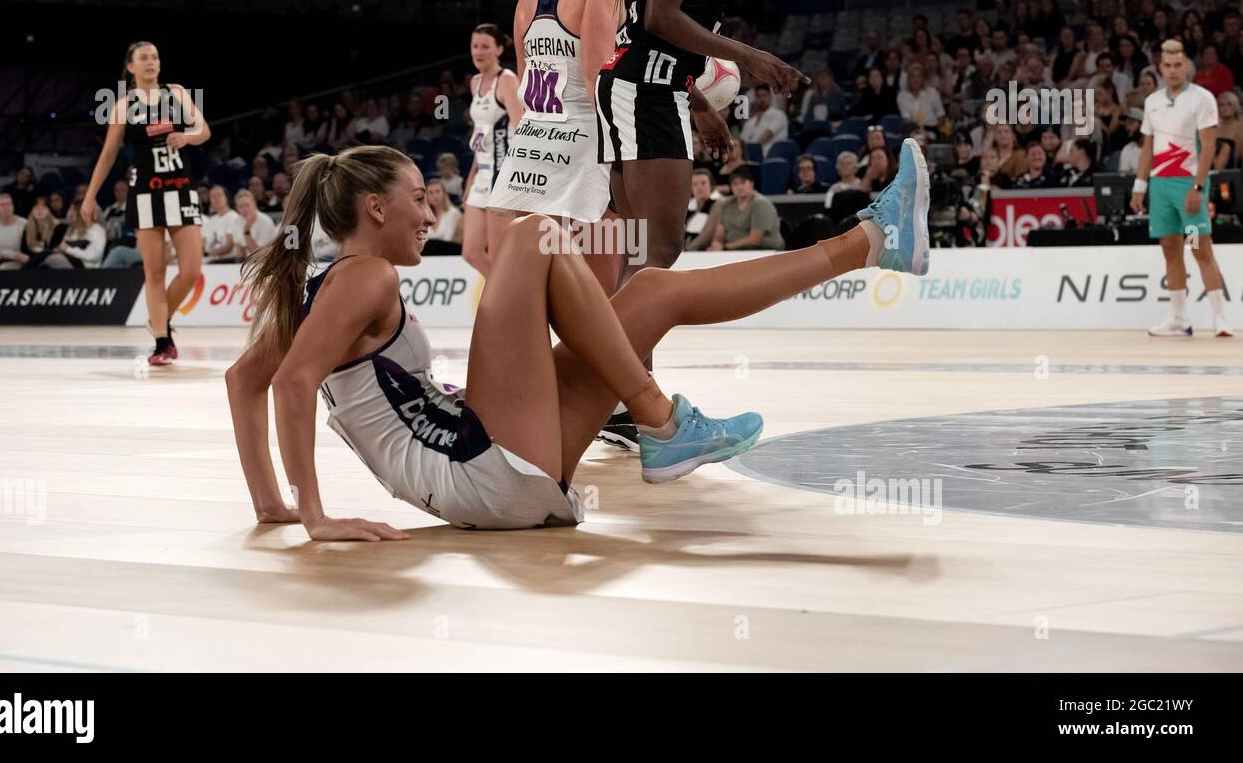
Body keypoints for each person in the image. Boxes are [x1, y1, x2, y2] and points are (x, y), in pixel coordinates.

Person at [223, 140, 930, 538]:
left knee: (651, 291)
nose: (431, 210)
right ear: (375, 208)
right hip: (484, 473)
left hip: (493, 472)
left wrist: (270, 503)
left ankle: (871, 243)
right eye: (419, 197)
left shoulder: (324, 288)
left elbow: (242, 381)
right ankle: (659, 421)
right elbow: (289, 383)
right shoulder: (364, 276)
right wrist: (312, 517)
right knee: (533, 235)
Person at [596, 0, 804, 309]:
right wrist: (752, 56)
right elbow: (661, 18)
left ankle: (629, 382)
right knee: (660, 251)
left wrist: (698, 104)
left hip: (641, 84)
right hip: (644, 90)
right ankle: (612, 376)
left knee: (640, 253)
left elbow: (654, 31)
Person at [486, 0, 628, 296]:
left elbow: (524, 77)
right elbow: (597, 75)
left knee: (527, 290)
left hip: (532, 144)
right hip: (584, 141)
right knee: (601, 296)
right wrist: (624, 148)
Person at [82, 41, 210, 365]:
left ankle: (158, 320)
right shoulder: (122, 106)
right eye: (144, 58)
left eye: (155, 57)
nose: (151, 62)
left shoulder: (177, 92)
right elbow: (108, 155)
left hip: (180, 186)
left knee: (192, 270)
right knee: (154, 272)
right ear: (131, 67)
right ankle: (162, 342)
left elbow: (204, 130)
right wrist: (90, 195)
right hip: (145, 191)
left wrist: (188, 137)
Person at [1132, 40, 1232, 337]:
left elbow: (1210, 145)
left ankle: (1219, 318)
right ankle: (1179, 318)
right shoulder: (1152, 102)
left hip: (1188, 185)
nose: (1173, 70)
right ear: (1160, 66)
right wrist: (1140, 187)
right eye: (1168, 65)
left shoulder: (1202, 99)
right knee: (1171, 250)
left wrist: (1198, 187)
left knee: (1199, 248)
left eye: (1178, 65)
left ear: (1186, 66)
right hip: (1160, 188)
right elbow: (1147, 147)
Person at [461, 23, 524, 277]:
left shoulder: (507, 80)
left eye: (485, 47)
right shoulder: (474, 82)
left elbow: (521, 130)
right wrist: (470, 178)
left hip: (502, 176)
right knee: (471, 253)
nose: (479, 52)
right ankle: (504, 297)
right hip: (481, 175)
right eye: (475, 46)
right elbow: (480, 136)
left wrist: (514, 179)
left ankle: (507, 305)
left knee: (500, 257)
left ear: (499, 49)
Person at [687, 166, 784, 251]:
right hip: (733, 251)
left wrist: (725, 247)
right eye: (735, 184)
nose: (739, 187)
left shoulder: (760, 203)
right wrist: (717, 243)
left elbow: (755, 239)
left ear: (751, 184)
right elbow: (719, 233)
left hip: (763, 250)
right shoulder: (726, 203)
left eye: (742, 183)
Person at [425, 177, 463, 244]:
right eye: (430, 193)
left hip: (449, 252)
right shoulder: (424, 216)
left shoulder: (453, 213)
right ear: (426, 196)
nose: (435, 196)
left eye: (438, 191)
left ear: (444, 193)